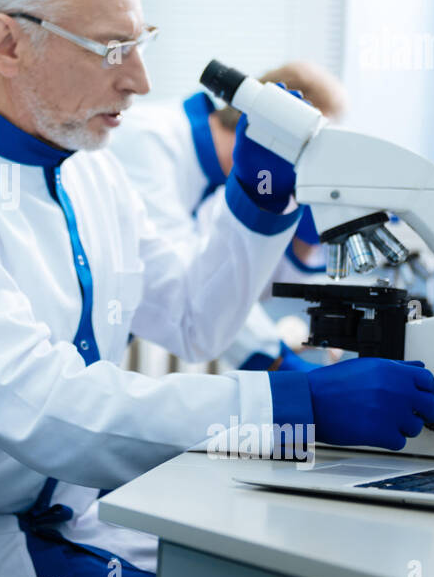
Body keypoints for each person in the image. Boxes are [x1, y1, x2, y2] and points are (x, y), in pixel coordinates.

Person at [0, 0, 434, 577]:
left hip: (80, 526)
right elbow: (46, 411)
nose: (140, 79)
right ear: (8, 42)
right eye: (111, 48)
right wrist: (299, 406)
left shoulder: (91, 173)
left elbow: (196, 320)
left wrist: (257, 204)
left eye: (139, 43)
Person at [110, 61, 348, 373]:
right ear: (280, 127)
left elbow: (238, 283)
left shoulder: (225, 179)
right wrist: (276, 360)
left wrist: (307, 234)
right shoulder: (151, 140)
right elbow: (185, 293)